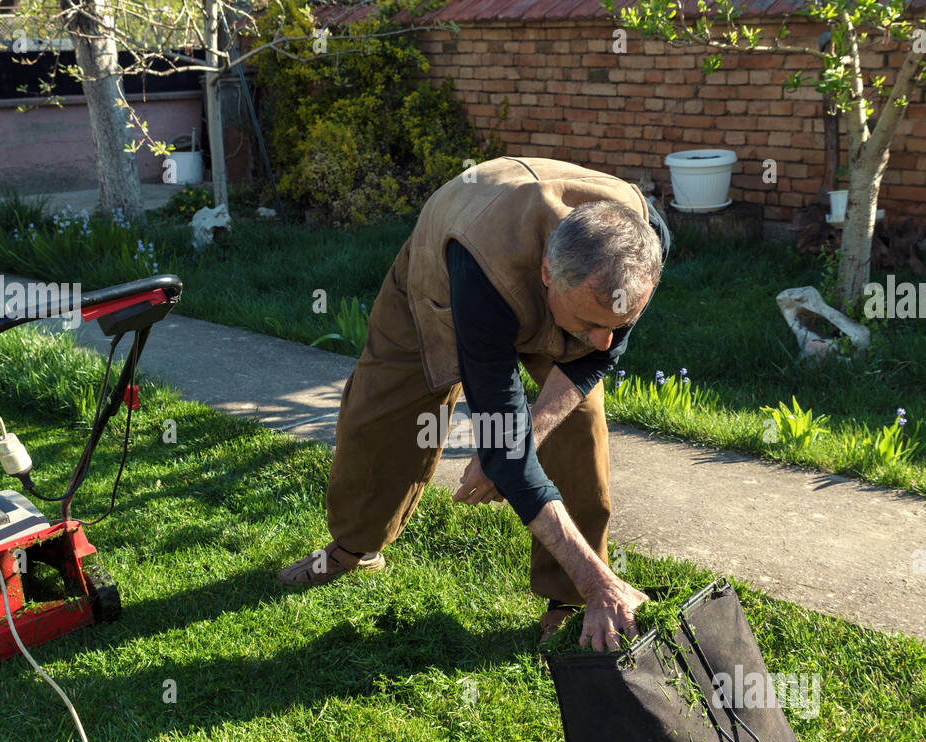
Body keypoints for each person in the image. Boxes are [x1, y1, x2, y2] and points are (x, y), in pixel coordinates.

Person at [277, 156, 670, 650]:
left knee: (580, 425)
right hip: (446, 269)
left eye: (617, 323)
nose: (604, 340)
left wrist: (521, 439)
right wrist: (505, 453)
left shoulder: (642, 243)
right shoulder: (481, 272)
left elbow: (597, 358)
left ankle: (572, 596)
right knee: (381, 414)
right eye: (590, 323)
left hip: (549, 278)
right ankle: (355, 546)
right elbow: (503, 436)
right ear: (548, 274)